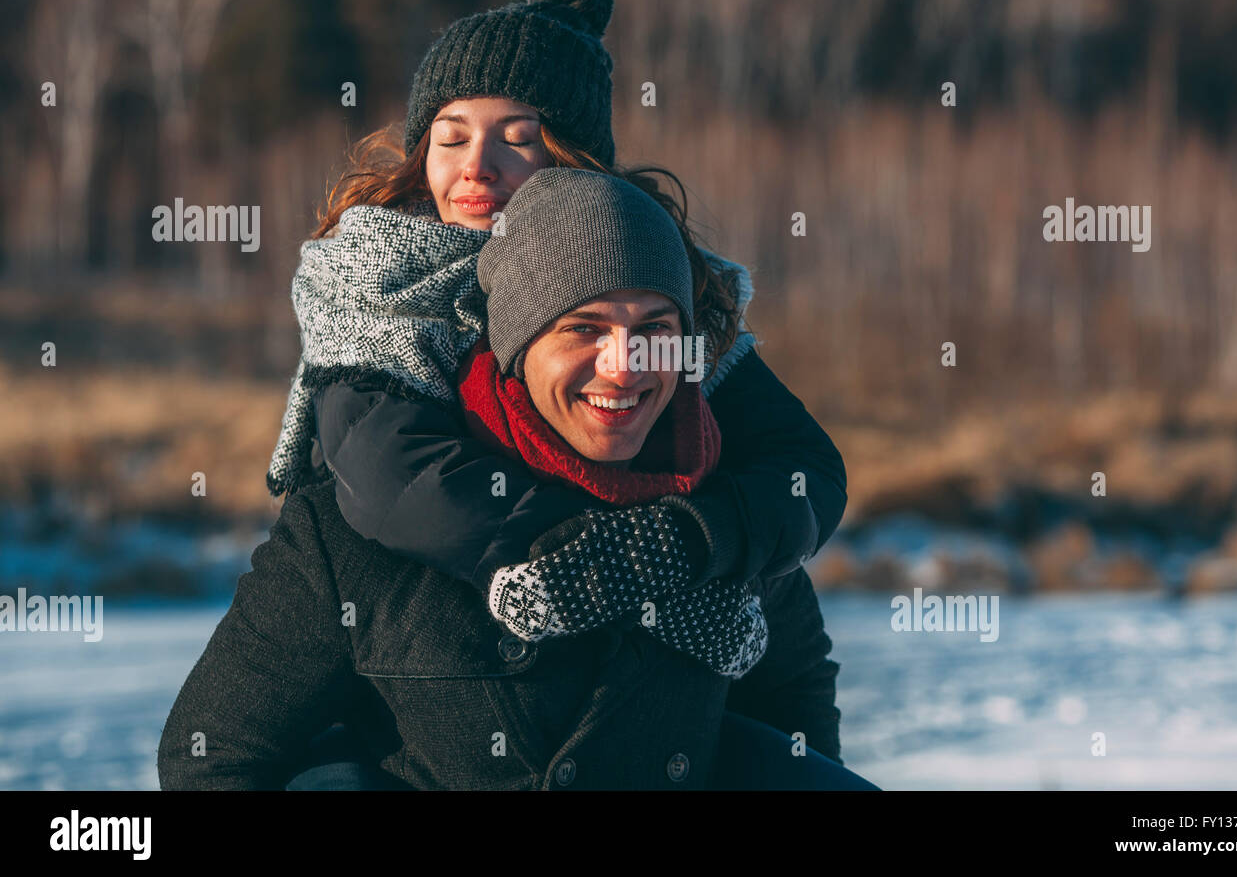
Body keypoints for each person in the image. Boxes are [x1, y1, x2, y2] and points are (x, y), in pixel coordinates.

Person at [157, 167, 877, 789]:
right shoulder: (359, 528)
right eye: (584, 328)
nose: (625, 367)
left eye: (655, 329)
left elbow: (795, 735)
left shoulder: (724, 511)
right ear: (515, 344)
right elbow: (211, 758)